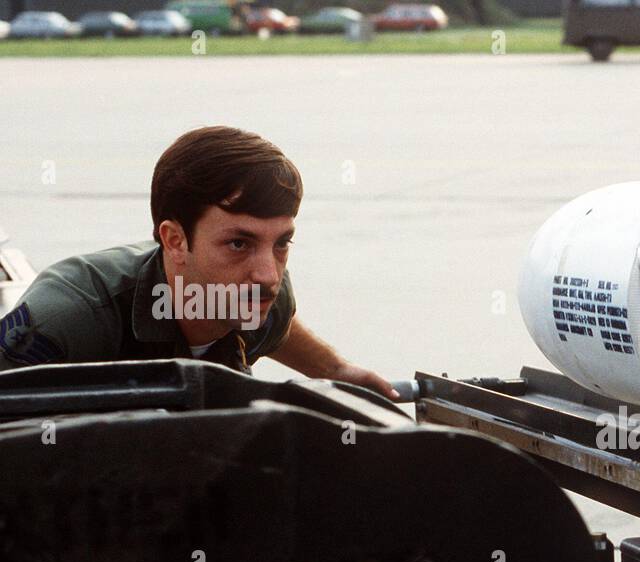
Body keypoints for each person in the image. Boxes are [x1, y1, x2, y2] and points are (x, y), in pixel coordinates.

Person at [0, 126, 399, 400]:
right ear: (175, 240)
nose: (268, 275)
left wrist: (333, 370)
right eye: (239, 243)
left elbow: (276, 321)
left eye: (281, 243)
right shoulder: (67, 322)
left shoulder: (258, 295)